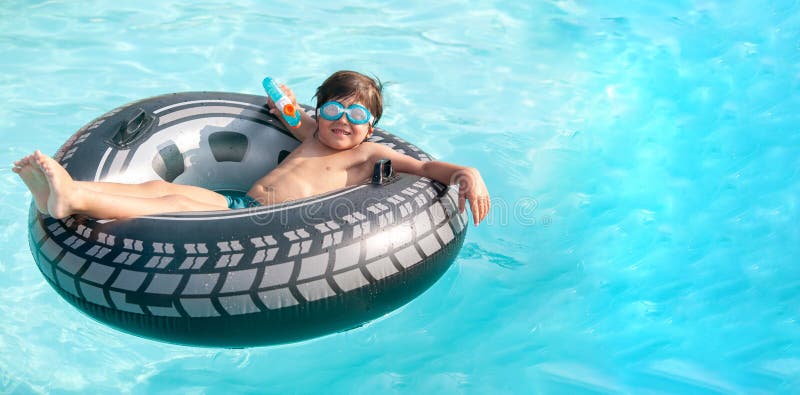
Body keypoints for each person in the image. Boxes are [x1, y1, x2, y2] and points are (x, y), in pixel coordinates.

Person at [12, 70, 491, 225]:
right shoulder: (311, 133)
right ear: (320, 111)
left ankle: (71, 199)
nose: (343, 123)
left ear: (372, 128)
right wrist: (279, 97)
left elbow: (428, 168)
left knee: (175, 201)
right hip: (240, 204)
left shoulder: (369, 156)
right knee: (159, 186)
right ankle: (70, 190)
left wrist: (467, 172)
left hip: (265, 223)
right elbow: (292, 115)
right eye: (333, 111)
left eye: (357, 116)